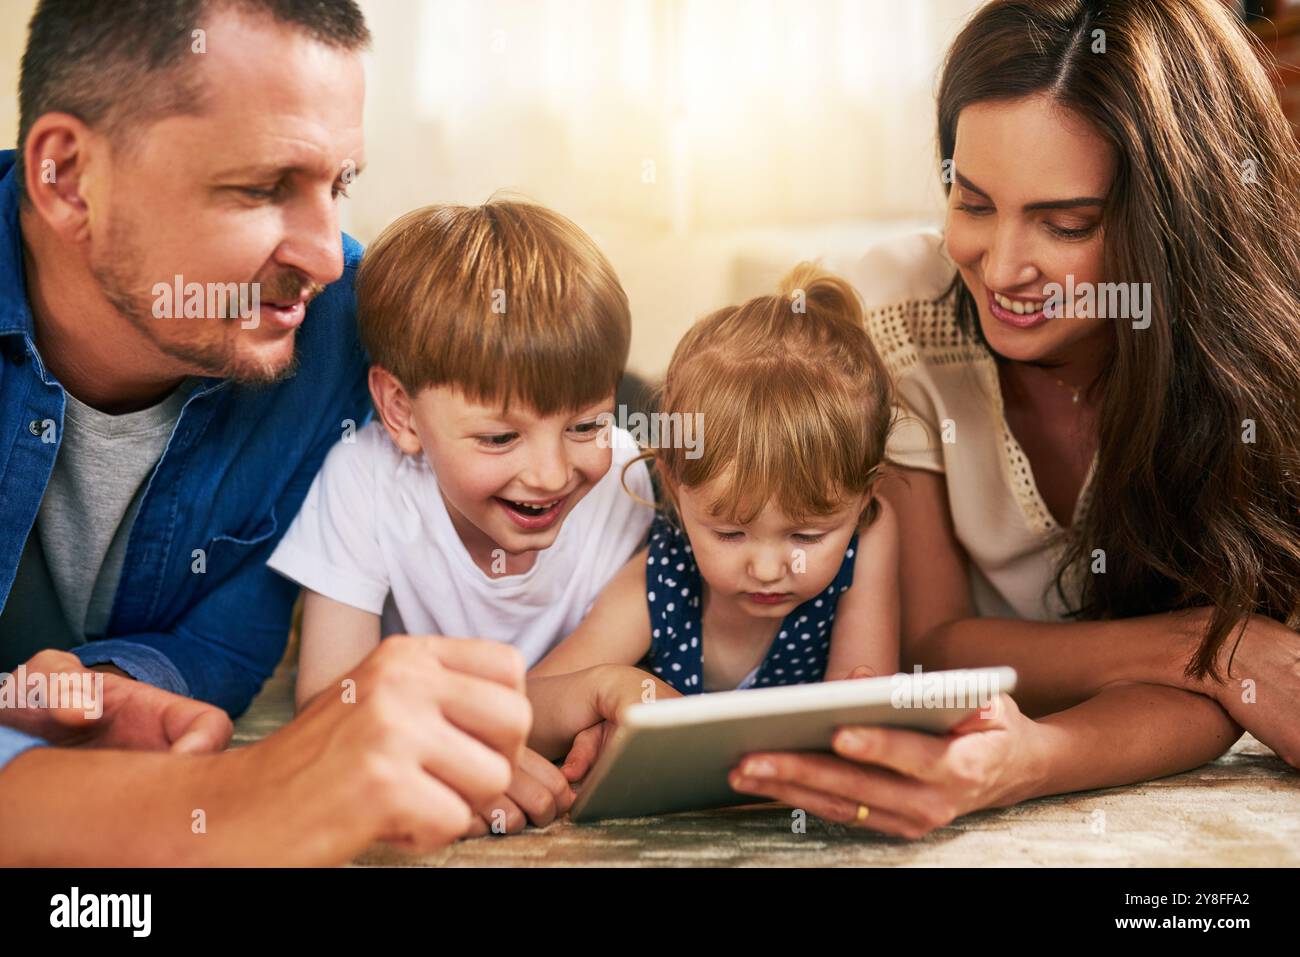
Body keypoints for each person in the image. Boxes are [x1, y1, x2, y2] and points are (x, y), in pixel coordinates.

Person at [726, 0, 1300, 840]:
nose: (1000, 269)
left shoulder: (1255, 367)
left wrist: (1033, 756)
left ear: (1176, 225)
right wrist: (1216, 645)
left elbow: (1234, 695)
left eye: (1064, 224)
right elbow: (930, 643)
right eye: (973, 200)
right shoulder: (903, 313)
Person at [0, 0, 536, 864]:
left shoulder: (343, 332)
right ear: (67, 177)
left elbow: (225, 636)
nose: (328, 255)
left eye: (341, 183)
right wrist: (214, 804)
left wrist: (116, 686)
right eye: (261, 188)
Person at [268, 201, 656, 833]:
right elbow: (328, 701)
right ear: (402, 413)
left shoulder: (629, 480)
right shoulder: (363, 480)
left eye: (586, 425)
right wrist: (457, 761)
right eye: (501, 439)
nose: (552, 474)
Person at [531, 265, 900, 774]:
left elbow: (861, 709)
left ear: (865, 500)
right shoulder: (660, 579)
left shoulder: (871, 535)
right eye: (729, 533)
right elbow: (521, 711)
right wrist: (602, 693)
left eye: (807, 535)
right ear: (676, 491)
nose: (769, 568)